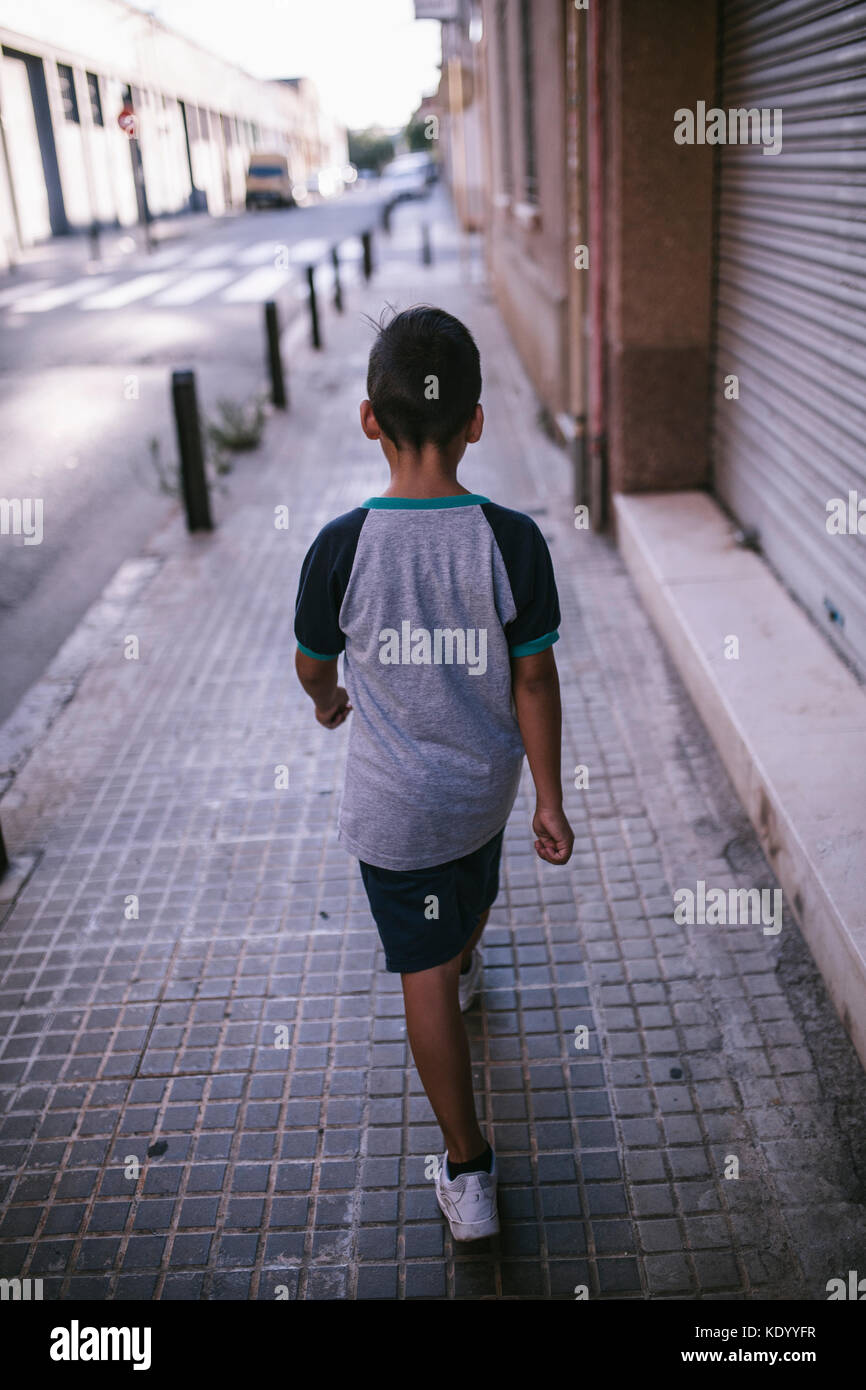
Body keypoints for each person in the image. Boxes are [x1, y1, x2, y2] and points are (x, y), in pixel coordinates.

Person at [293, 305, 574, 1242]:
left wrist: (329, 702)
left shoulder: (340, 547)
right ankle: (457, 962)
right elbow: (534, 676)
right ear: (476, 421)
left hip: (395, 814)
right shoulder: (513, 541)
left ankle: (469, 1172)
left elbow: (312, 662)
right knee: (472, 896)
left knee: (424, 972)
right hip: (482, 798)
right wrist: (548, 796)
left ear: (370, 420)